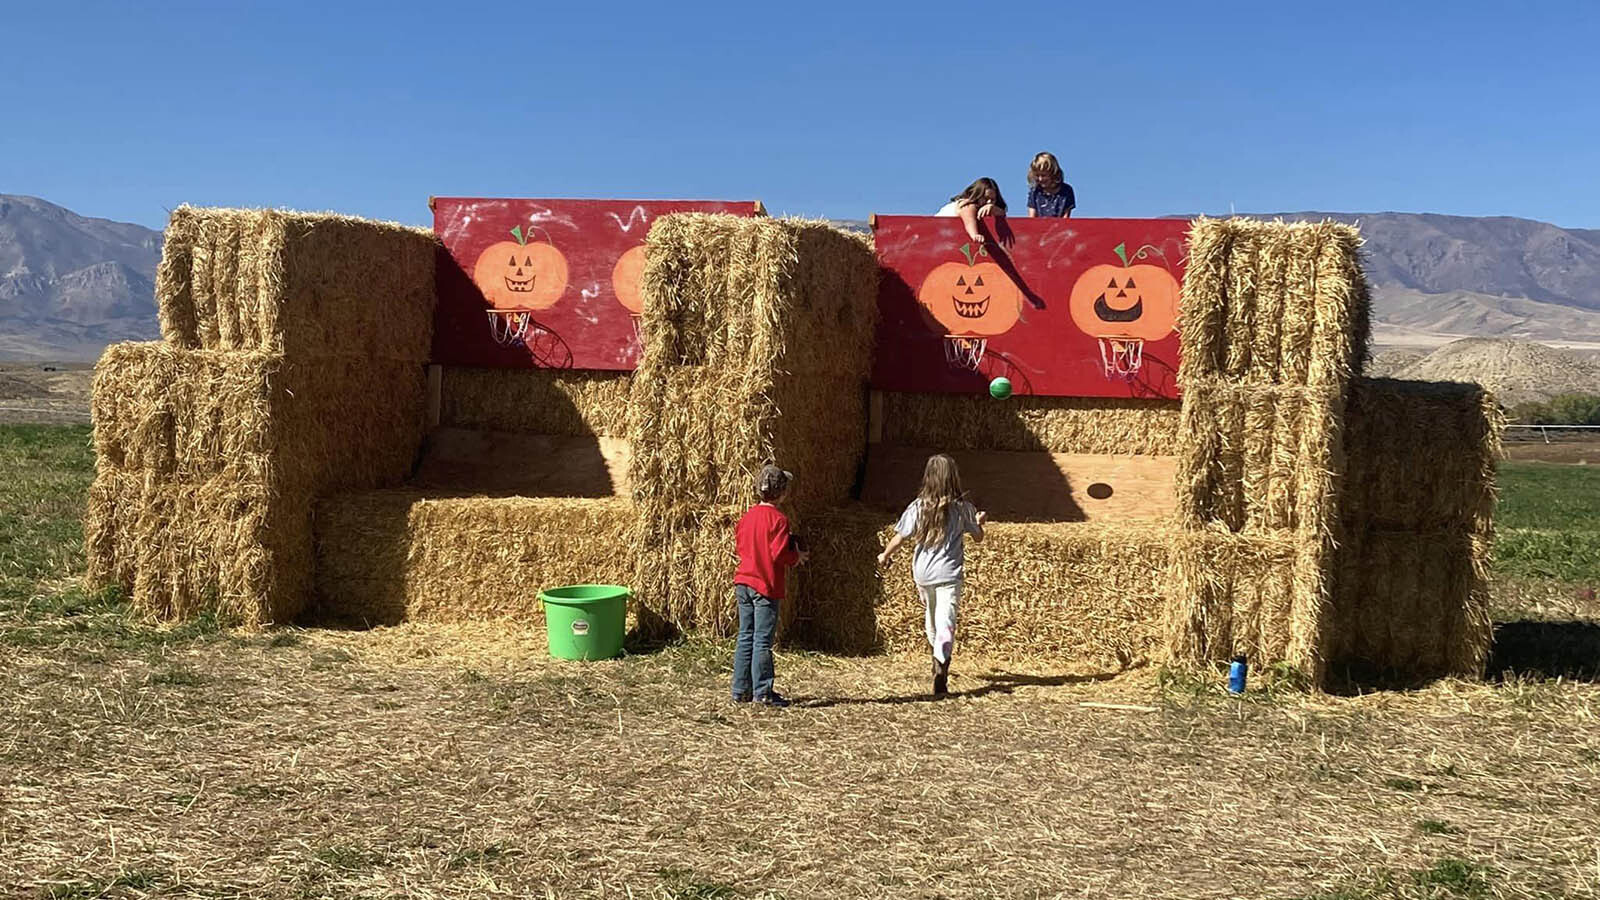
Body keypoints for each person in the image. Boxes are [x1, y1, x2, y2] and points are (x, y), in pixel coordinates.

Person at [875, 454, 987, 697]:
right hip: (948, 574)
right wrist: (979, 523)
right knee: (946, 619)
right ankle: (940, 664)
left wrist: (884, 555)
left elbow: (900, 537)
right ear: (953, 478)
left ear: (928, 478)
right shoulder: (963, 509)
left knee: (932, 619)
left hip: (923, 575)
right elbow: (978, 538)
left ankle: (936, 656)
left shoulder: (917, 507)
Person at [732, 465, 807, 707]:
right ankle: (762, 692)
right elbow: (778, 554)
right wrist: (796, 558)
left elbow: (741, 547)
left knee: (745, 636)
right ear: (782, 493)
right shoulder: (779, 520)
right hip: (765, 585)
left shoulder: (747, 517)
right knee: (762, 640)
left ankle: (740, 689)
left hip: (743, 581)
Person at [937, 177, 1013, 248]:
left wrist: (993, 209)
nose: (989, 202)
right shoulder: (968, 204)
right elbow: (969, 220)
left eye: (992, 199)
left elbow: (1003, 214)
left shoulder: (985, 207)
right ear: (977, 195)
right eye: (986, 198)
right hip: (938, 235)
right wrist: (975, 234)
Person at [1025, 152, 1075, 218]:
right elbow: (1031, 218)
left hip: (1060, 226)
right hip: (1038, 227)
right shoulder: (1035, 192)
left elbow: (1066, 218)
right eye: (1037, 175)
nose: (1040, 179)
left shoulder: (1066, 191)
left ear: (1053, 173)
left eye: (1043, 175)